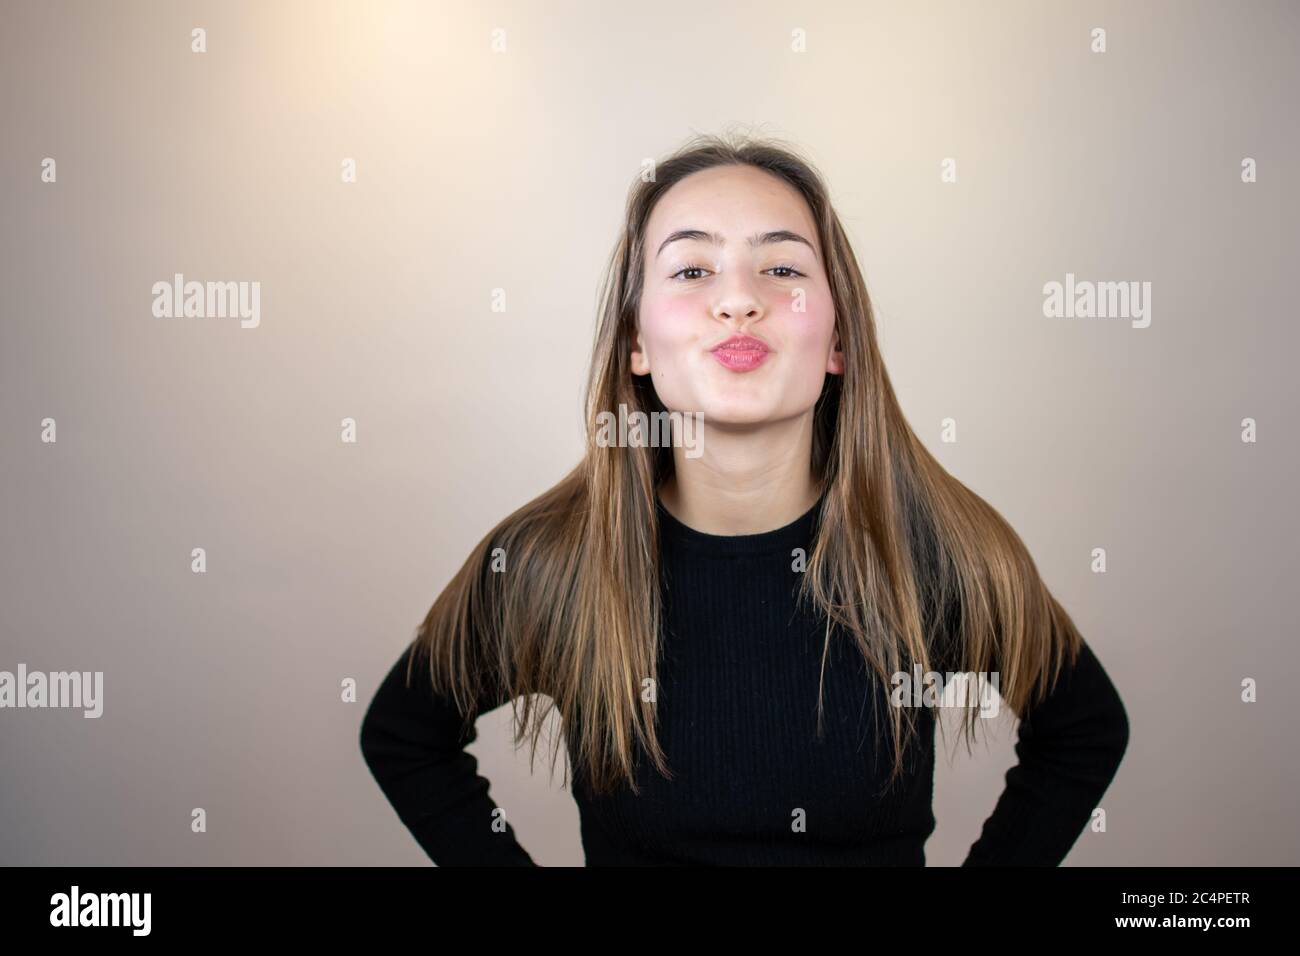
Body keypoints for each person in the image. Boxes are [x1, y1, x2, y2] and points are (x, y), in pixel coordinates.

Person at [359, 131, 1130, 866]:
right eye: (692, 271)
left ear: (837, 341)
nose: (738, 302)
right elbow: (404, 736)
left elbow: (1085, 729)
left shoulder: (931, 550)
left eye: (783, 270)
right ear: (635, 342)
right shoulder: (548, 562)